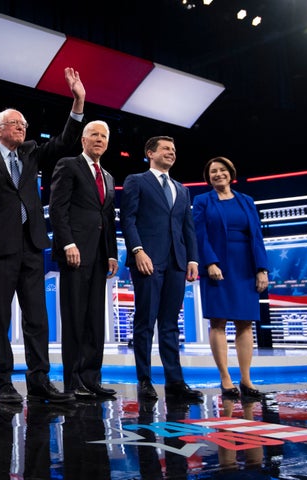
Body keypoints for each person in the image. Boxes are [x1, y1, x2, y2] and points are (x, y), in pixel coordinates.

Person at [0, 68, 86, 405]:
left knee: (37, 318)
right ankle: (2, 383)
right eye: (15, 124)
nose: (22, 128)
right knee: (0, 318)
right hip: (0, 248)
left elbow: (64, 142)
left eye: (24, 125)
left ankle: (39, 381)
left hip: (33, 245)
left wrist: (78, 101)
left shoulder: (32, 152)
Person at [120, 136, 203, 403]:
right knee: (145, 322)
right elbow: (128, 219)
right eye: (166, 148)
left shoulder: (182, 189)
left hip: (177, 263)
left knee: (170, 325)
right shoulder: (137, 180)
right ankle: (144, 380)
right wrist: (137, 250)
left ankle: (175, 382)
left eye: (174, 150)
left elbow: (187, 227)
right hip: (147, 261)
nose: (171, 153)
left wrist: (192, 259)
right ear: (150, 153)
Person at [49, 120, 118, 399]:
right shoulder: (69, 165)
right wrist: (68, 243)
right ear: (83, 140)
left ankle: (92, 379)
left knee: (94, 320)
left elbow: (108, 218)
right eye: (94, 135)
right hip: (75, 253)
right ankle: (73, 381)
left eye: (104, 136)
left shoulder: (109, 177)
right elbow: (57, 208)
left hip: (100, 256)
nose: (99, 139)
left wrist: (112, 253)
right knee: (75, 318)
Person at [192, 156, 269, 400]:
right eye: (213, 171)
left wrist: (262, 268)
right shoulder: (202, 201)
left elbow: (256, 235)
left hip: (245, 266)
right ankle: (225, 378)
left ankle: (246, 379)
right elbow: (199, 234)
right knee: (218, 322)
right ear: (209, 177)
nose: (218, 174)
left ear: (230, 172)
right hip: (218, 265)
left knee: (245, 322)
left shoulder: (246, 201)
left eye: (222, 170)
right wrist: (210, 262)